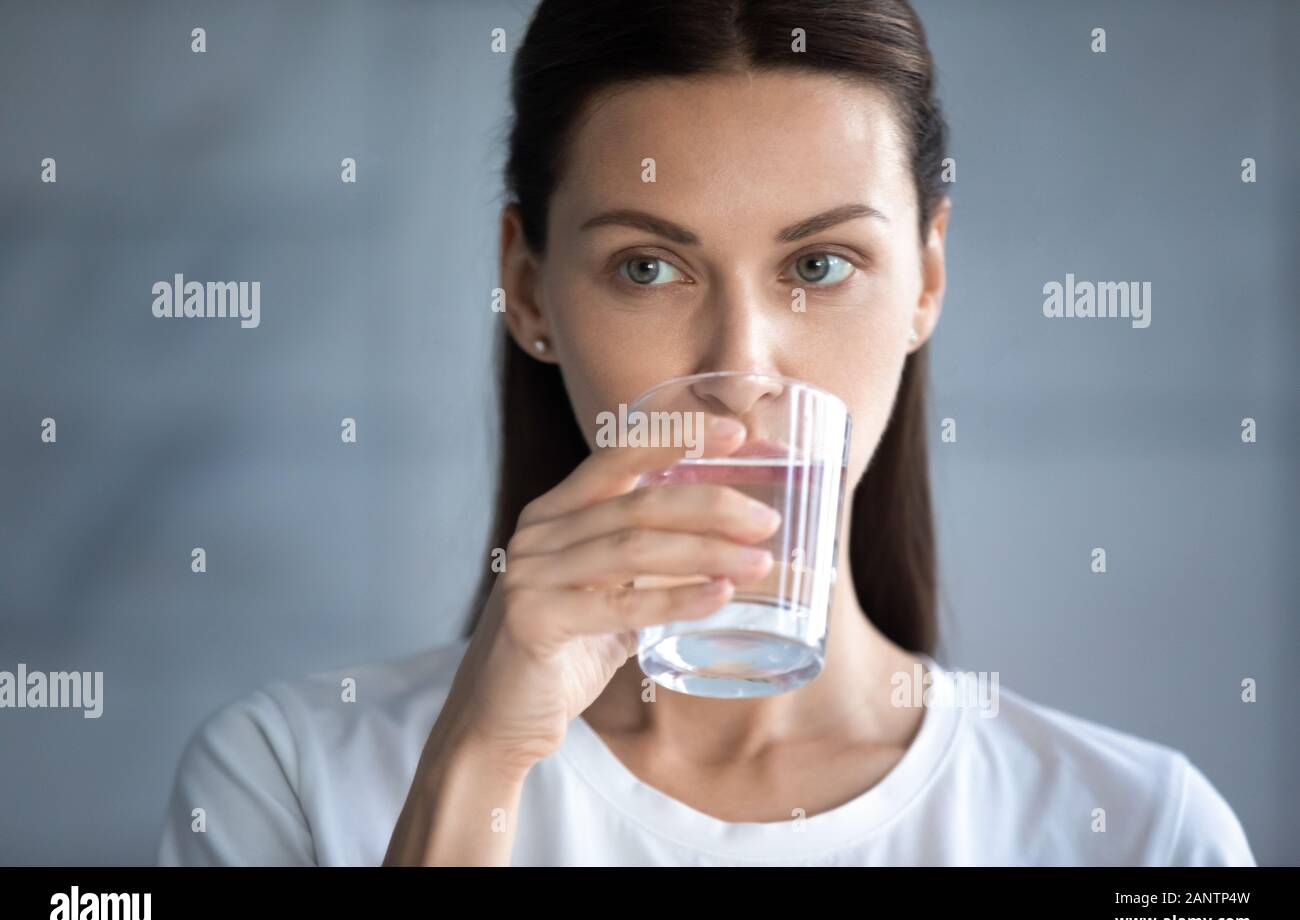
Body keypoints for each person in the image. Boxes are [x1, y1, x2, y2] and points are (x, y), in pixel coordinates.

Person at [158, 0, 1255, 866]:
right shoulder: (289, 779)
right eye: (648, 266)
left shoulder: (1142, 830)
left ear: (923, 278)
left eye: (818, 265)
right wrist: (477, 762)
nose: (744, 372)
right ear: (528, 288)